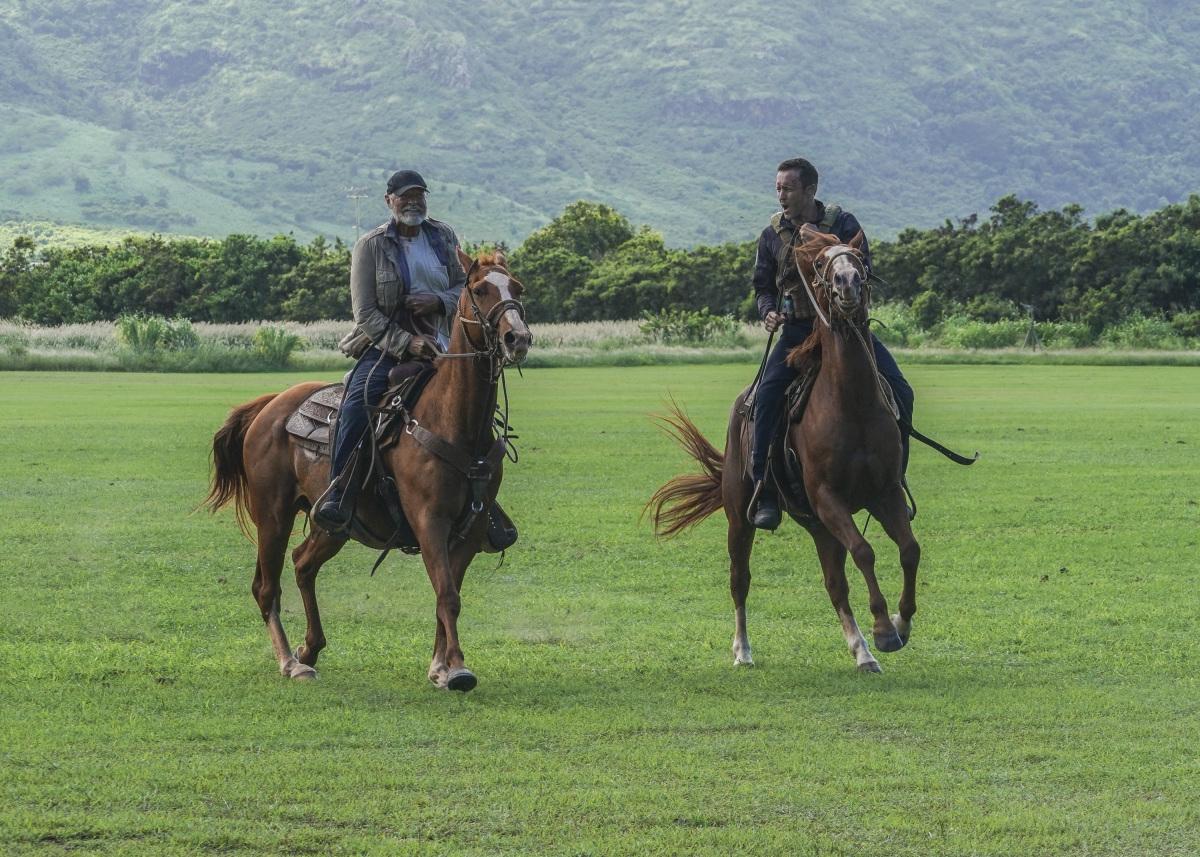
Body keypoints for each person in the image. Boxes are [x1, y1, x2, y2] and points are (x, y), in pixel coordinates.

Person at [313, 170, 517, 551]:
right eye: (405, 197)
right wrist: (407, 342)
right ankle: (339, 493)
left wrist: (437, 302)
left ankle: (484, 502)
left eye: (419, 196)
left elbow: (465, 287)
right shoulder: (370, 246)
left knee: (473, 409)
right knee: (358, 402)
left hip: (443, 344)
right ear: (389, 201)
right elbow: (366, 314)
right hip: (384, 347)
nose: (413, 202)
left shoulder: (444, 236)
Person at [748, 158, 914, 530]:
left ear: (810, 190)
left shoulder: (844, 224)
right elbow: (762, 285)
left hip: (846, 331)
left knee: (902, 391)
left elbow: (863, 270)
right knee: (765, 397)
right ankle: (765, 489)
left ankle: (894, 482)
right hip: (796, 332)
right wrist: (768, 311)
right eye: (777, 188)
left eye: (787, 188)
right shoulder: (772, 234)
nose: (780, 195)